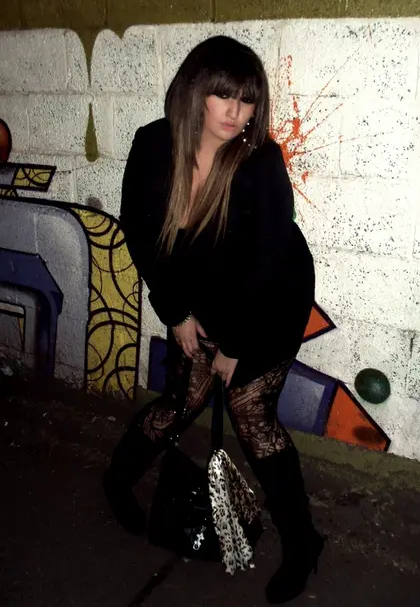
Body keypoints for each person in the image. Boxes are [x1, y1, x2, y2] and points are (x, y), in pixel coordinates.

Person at [103, 35, 324, 604]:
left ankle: (302, 543)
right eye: (224, 95)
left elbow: (267, 263)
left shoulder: (260, 161)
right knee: (184, 400)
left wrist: (235, 346)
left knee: (252, 414)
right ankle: (117, 481)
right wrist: (175, 312)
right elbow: (142, 234)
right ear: (195, 90)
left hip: (268, 303)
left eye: (248, 100)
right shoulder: (155, 144)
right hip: (199, 300)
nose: (236, 112)